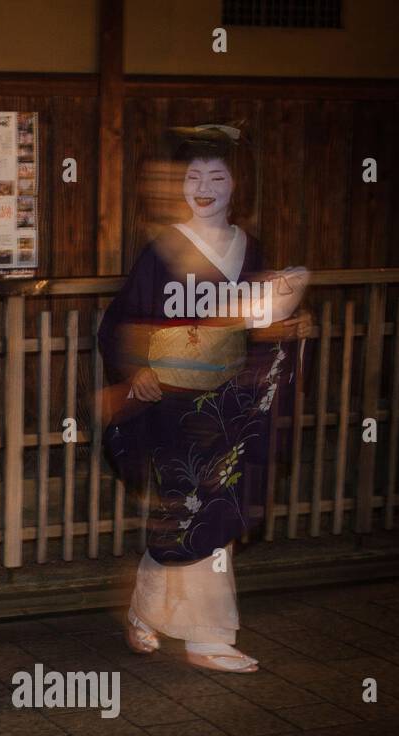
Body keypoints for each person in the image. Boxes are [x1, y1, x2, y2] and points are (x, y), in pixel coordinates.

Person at [98, 124, 310, 674]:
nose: (204, 186)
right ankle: (209, 635)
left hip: (229, 399)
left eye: (217, 175)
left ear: (238, 185)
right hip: (172, 400)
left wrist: (286, 328)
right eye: (193, 176)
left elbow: (255, 320)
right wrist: (136, 367)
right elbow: (121, 320)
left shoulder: (249, 248)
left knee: (204, 509)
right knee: (191, 506)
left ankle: (149, 613)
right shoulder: (163, 249)